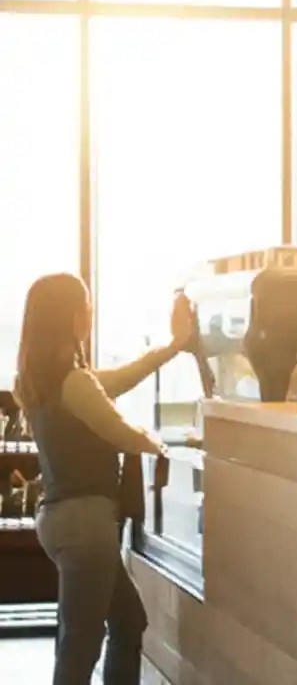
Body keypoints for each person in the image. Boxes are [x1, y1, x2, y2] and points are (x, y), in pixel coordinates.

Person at [14, 273, 194, 685]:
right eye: (87, 309)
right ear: (73, 316)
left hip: (62, 519)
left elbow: (119, 380)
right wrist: (162, 448)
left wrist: (172, 347)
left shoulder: (42, 379)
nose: (90, 318)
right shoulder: (73, 382)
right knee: (81, 644)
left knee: (128, 622)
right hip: (84, 525)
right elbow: (119, 430)